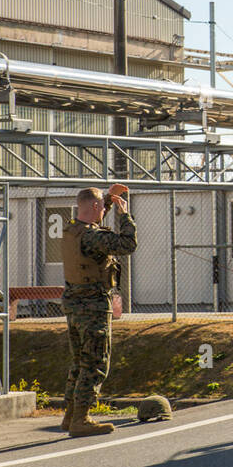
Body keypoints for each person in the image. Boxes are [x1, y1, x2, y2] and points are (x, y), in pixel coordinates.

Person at [60, 185, 137, 437]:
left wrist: (107, 199)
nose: (105, 209)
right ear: (95, 207)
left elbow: (93, 209)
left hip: (74, 305)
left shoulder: (72, 229)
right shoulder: (92, 236)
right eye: (103, 206)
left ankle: (71, 415)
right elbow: (127, 244)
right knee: (95, 363)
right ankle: (81, 419)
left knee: (79, 362)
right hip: (93, 306)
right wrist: (125, 215)